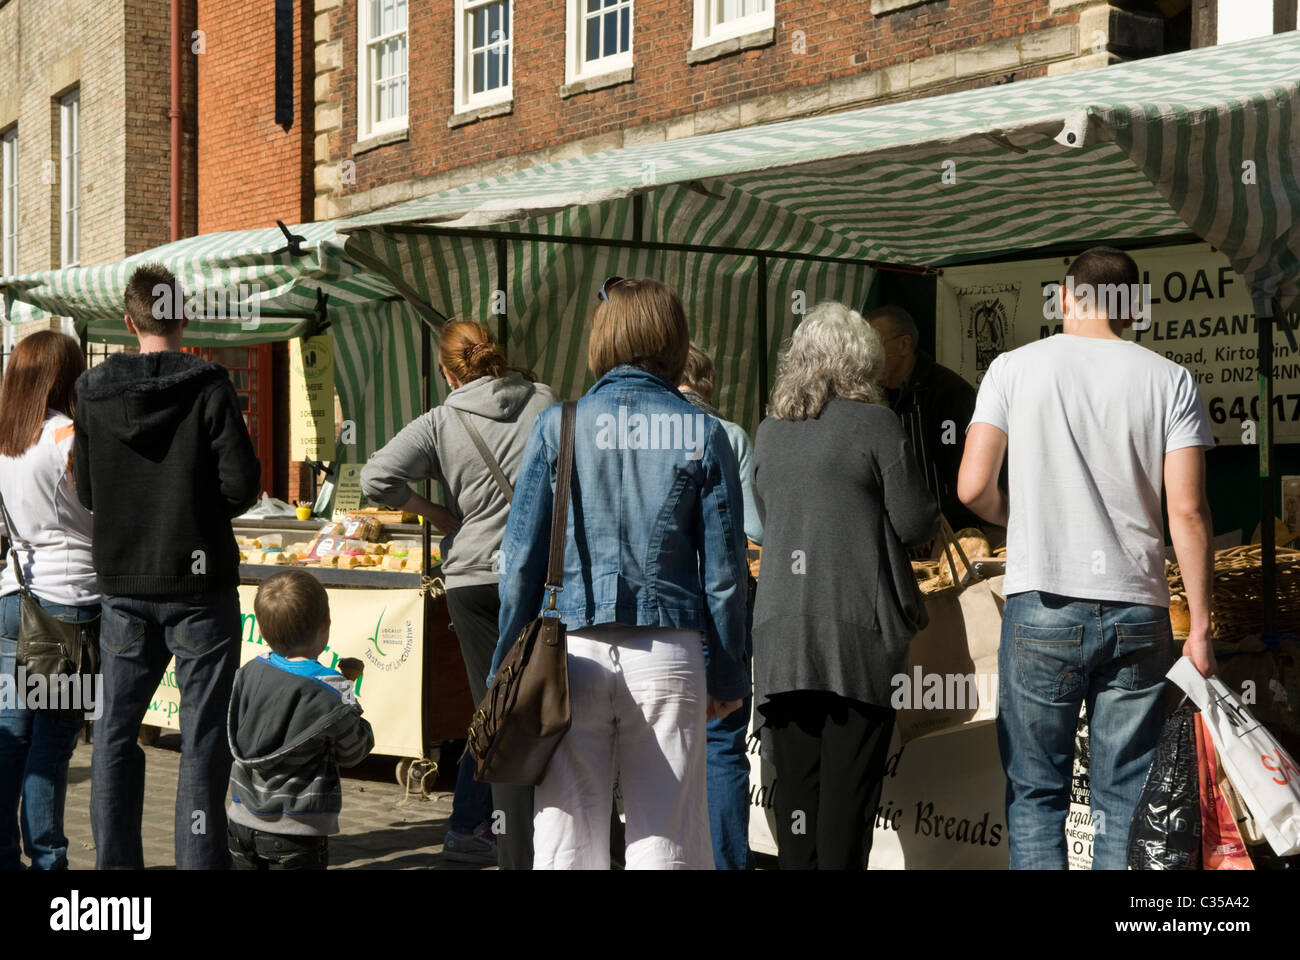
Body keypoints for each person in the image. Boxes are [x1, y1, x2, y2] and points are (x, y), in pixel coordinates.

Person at [958, 246, 1217, 870]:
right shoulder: (1169, 379)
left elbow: (971, 488)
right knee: (1125, 790)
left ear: (1065, 296)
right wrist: (1203, 627)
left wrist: (1024, 521)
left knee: (1036, 794)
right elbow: (1186, 512)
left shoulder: (1013, 368)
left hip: (1041, 604)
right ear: (1132, 310)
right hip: (1138, 611)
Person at [492, 276, 749, 870]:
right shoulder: (703, 431)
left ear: (602, 338)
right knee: (668, 842)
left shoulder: (559, 424)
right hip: (669, 653)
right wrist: (731, 676)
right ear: (675, 340)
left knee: (566, 842)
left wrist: (504, 665)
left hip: (569, 654)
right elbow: (727, 576)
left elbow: (519, 564)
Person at [74, 263, 261, 870]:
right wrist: (192, 505)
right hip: (199, 585)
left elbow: (90, 491)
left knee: (114, 733)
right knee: (202, 737)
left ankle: (116, 872)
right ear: (182, 316)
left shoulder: (93, 390)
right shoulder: (209, 384)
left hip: (124, 582)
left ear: (130, 322)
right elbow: (241, 485)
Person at [751, 301, 939, 870]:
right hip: (855, 637)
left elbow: (765, 517)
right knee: (846, 800)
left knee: (797, 799)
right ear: (862, 362)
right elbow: (914, 522)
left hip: (780, 635)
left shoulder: (770, 431)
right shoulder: (876, 424)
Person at [361, 320, 554, 869]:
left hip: (473, 579)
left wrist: (439, 514)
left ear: (447, 372)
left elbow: (377, 477)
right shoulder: (544, 401)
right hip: (540, 573)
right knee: (549, 703)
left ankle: (485, 830)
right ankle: (534, 830)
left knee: (493, 711)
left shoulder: (440, 421)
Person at [0, 332, 101, 871]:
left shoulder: (5, 442)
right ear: (65, 378)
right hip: (71, 605)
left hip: (13, 596)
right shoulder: (68, 437)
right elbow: (101, 514)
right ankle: (48, 862)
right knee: (52, 743)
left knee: (11, 736)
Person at [226, 569, 374, 869]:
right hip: (296, 826)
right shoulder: (332, 687)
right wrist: (349, 694)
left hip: (240, 819)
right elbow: (355, 750)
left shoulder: (249, 672)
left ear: (264, 631)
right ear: (326, 626)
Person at [677, 343, 759, 871]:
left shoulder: (634, 431)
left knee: (658, 749)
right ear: (708, 384)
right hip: (719, 605)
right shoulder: (730, 435)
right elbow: (752, 530)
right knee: (724, 746)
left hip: (655, 617)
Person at [866, 305, 985, 538]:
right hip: (897, 530)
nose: (867, 354)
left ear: (904, 345)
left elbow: (962, 469)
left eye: (874, 344)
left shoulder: (948, 391)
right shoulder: (869, 395)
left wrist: (947, 528)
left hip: (949, 532)